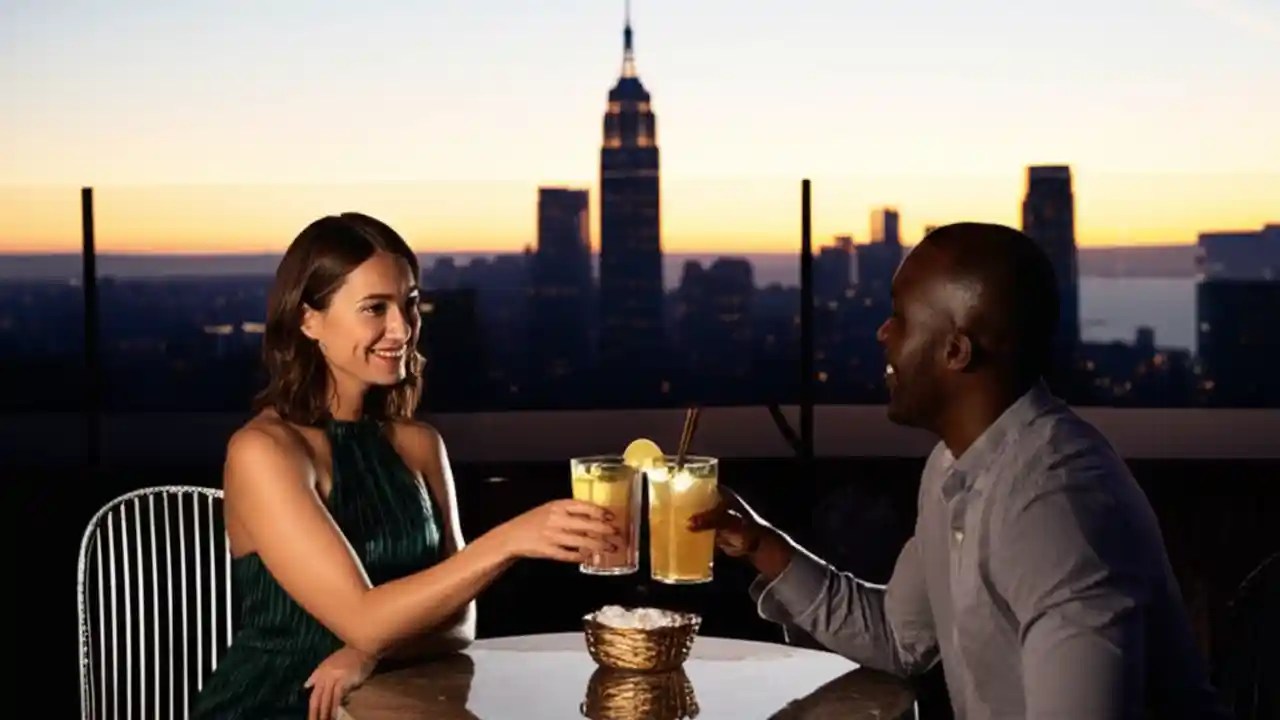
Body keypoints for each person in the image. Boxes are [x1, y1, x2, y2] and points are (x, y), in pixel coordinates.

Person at [692, 223, 1227, 719]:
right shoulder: (956, 464)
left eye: (899, 315)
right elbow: (899, 639)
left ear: (955, 350)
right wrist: (760, 543)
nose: (883, 333)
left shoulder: (1055, 508)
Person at [193, 213, 618, 720]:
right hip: (278, 704)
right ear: (309, 320)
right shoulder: (264, 451)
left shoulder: (419, 445)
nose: (402, 328)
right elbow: (365, 620)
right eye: (375, 308)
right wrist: (510, 539)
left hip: (389, 702)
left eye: (410, 304)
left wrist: (370, 654)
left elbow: (460, 625)